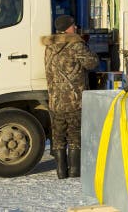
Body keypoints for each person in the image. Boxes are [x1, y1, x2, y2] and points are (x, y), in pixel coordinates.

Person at [42, 15, 99, 179]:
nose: (75, 27)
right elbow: (92, 63)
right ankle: (74, 173)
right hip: (74, 100)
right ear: (68, 27)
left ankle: (61, 172)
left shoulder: (50, 46)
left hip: (55, 101)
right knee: (74, 136)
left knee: (58, 137)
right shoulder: (75, 45)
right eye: (73, 25)